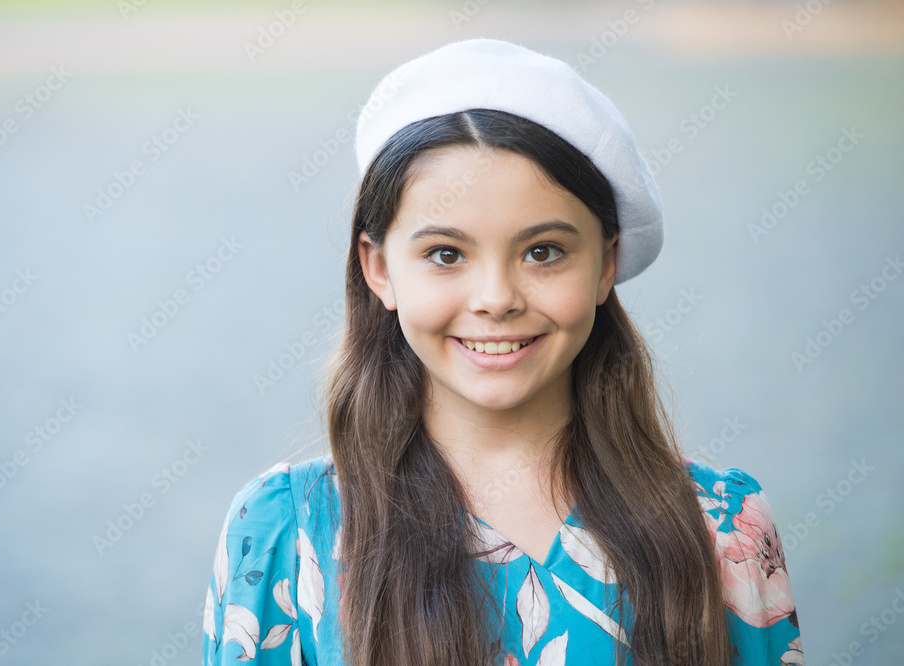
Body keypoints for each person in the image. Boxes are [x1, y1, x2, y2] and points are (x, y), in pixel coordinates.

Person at [201, 38, 803, 666]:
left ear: (606, 264)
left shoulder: (723, 527)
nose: (496, 299)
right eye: (445, 254)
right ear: (379, 269)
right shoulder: (282, 535)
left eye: (543, 251)